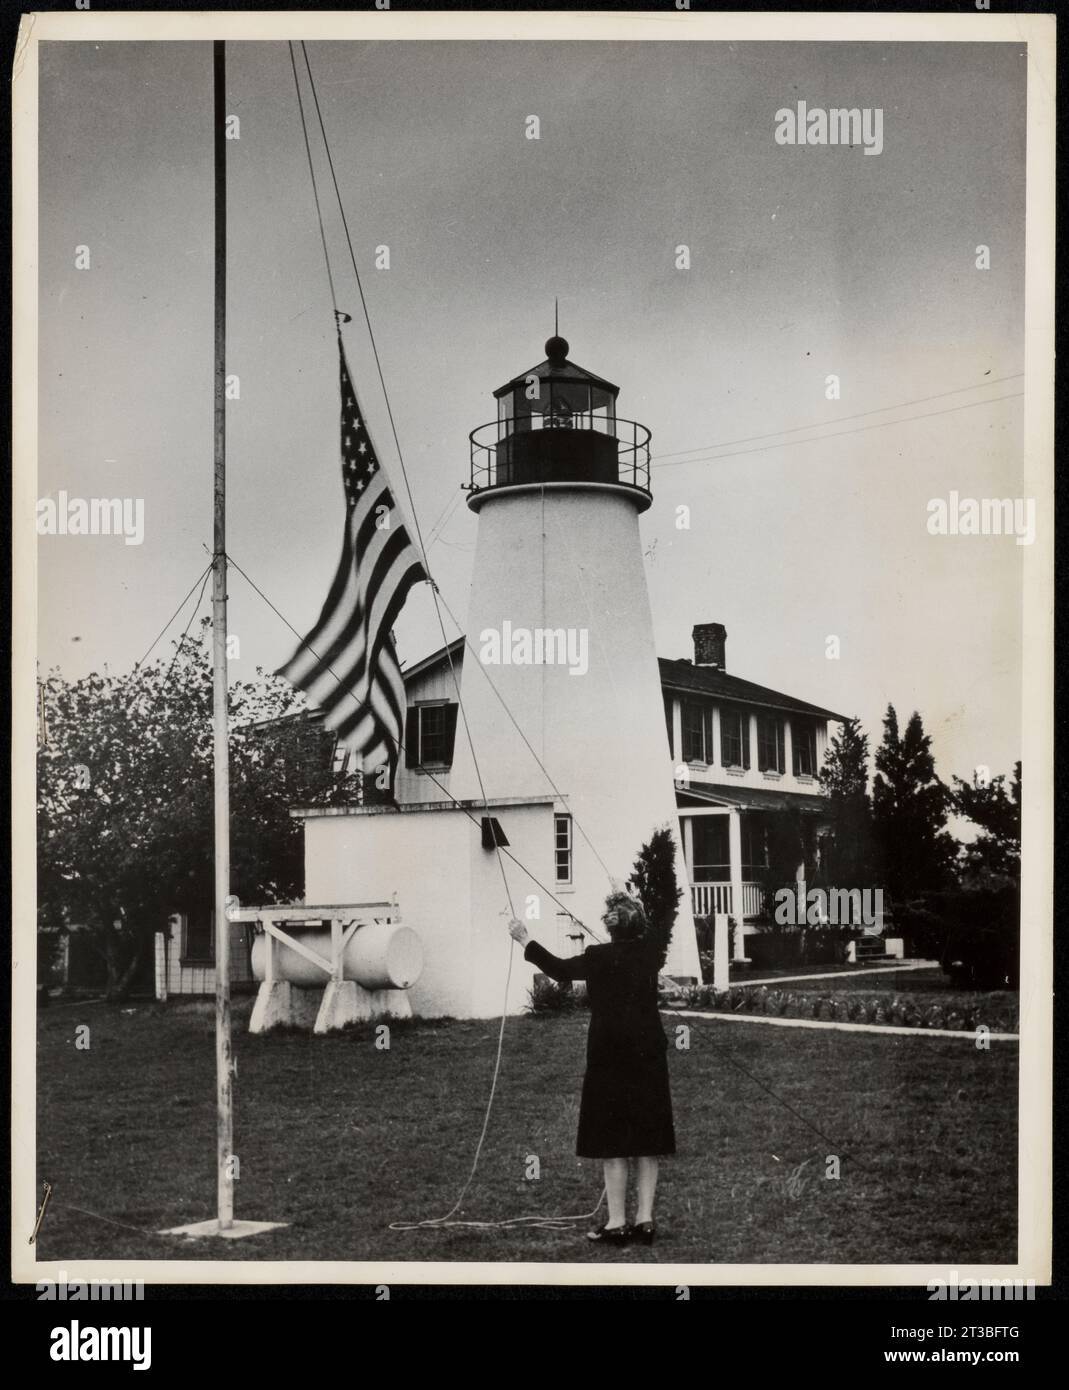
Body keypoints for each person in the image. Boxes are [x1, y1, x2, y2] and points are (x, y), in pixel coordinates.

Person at [508, 894, 675, 1245]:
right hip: (648, 1056)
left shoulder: (597, 957)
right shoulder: (650, 953)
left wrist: (524, 938)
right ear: (638, 925)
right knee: (647, 1140)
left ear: (610, 927)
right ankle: (645, 1221)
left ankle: (617, 1223)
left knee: (613, 1143)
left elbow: (558, 969)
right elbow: (646, 929)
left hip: (609, 1057)